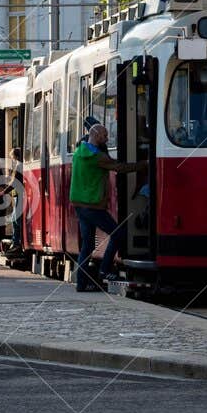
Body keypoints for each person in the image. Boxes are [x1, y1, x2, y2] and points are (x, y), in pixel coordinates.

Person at [69, 121, 136, 292]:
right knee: (118, 233)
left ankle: (82, 284)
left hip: (79, 204)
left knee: (87, 245)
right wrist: (145, 165)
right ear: (97, 135)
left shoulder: (79, 152)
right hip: (92, 205)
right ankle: (105, 270)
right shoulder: (97, 157)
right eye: (105, 136)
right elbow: (119, 167)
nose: (107, 139)